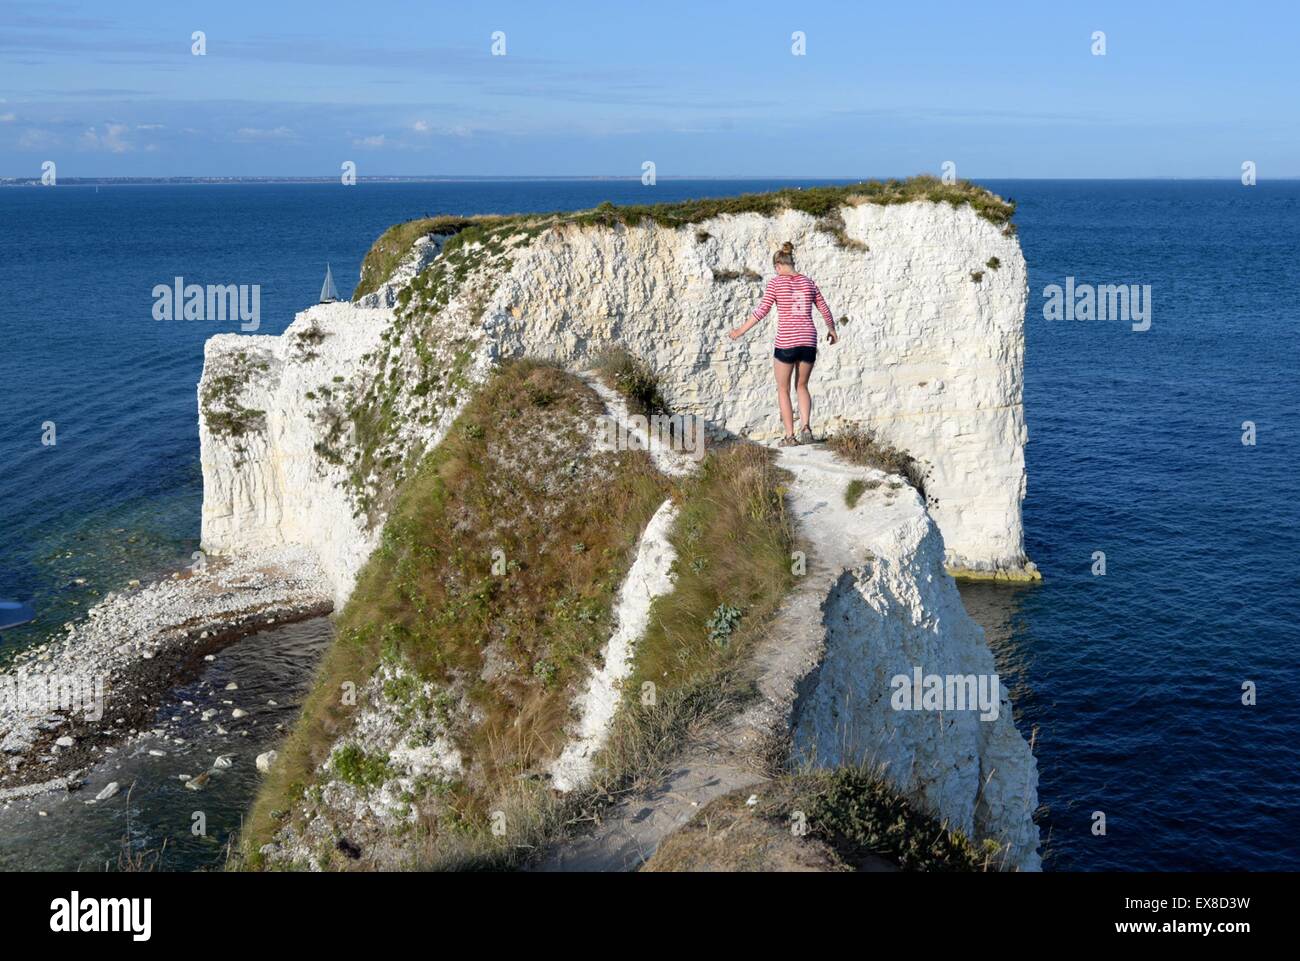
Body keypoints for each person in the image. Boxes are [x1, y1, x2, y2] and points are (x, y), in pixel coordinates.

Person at [728, 241, 838, 445]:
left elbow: (761, 311)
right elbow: (823, 308)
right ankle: (806, 428)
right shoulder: (809, 282)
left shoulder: (776, 283)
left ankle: (790, 436)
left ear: (778, 265)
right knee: (802, 386)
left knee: (783, 388)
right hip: (808, 340)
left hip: (787, 341)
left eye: (776, 269)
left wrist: (739, 331)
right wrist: (831, 330)